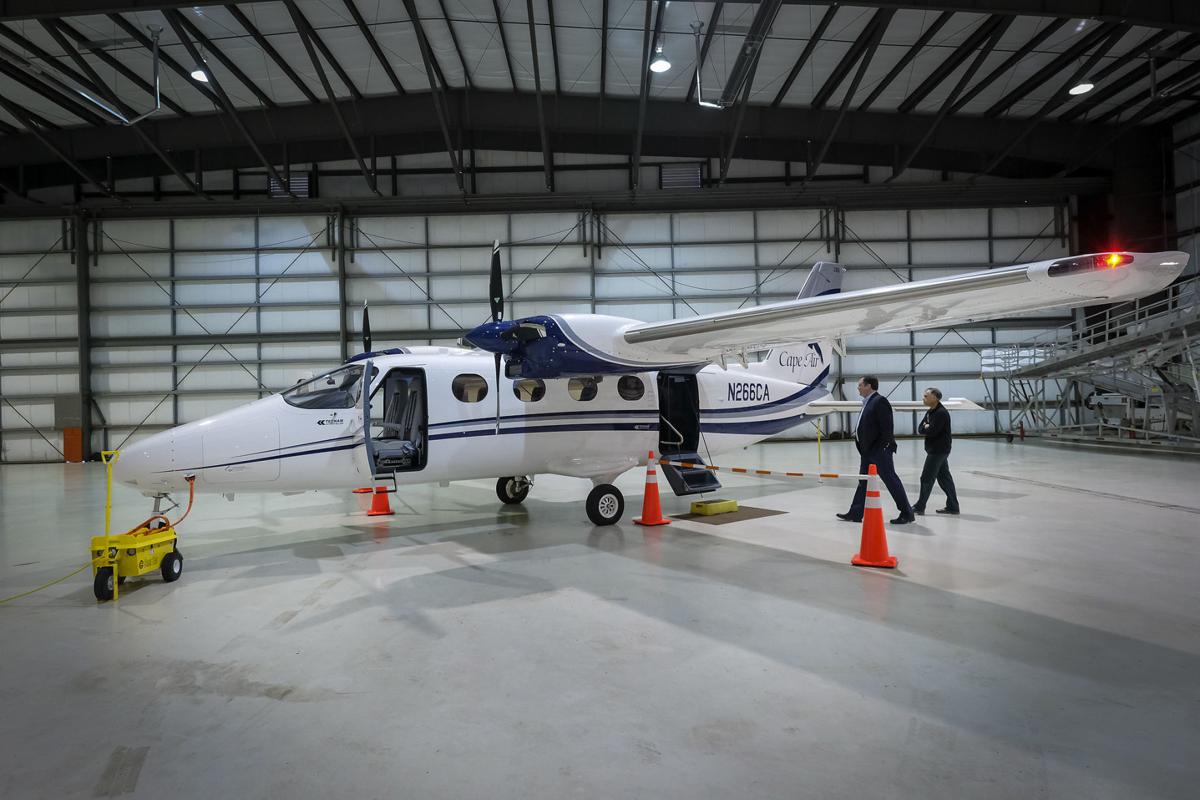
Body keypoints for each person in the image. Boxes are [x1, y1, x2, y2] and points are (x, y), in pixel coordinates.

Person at [837, 375, 914, 525]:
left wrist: (882, 448)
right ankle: (856, 512)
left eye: (860, 385)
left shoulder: (880, 401)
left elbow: (887, 428)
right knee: (863, 482)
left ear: (869, 386)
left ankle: (907, 512)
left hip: (879, 452)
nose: (858, 388)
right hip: (867, 452)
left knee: (891, 480)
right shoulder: (868, 402)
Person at [912, 387, 960, 516]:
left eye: (926, 396)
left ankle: (920, 506)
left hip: (938, 451)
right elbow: (920, 429)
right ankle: (953, 506)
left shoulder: (941, 413)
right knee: (945, 479)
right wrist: (926, 426)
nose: (923, 398)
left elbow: (932, 431)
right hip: (937, 450)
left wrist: (927, 427)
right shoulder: (930, 412)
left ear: (935, 398)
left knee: (926, 478)